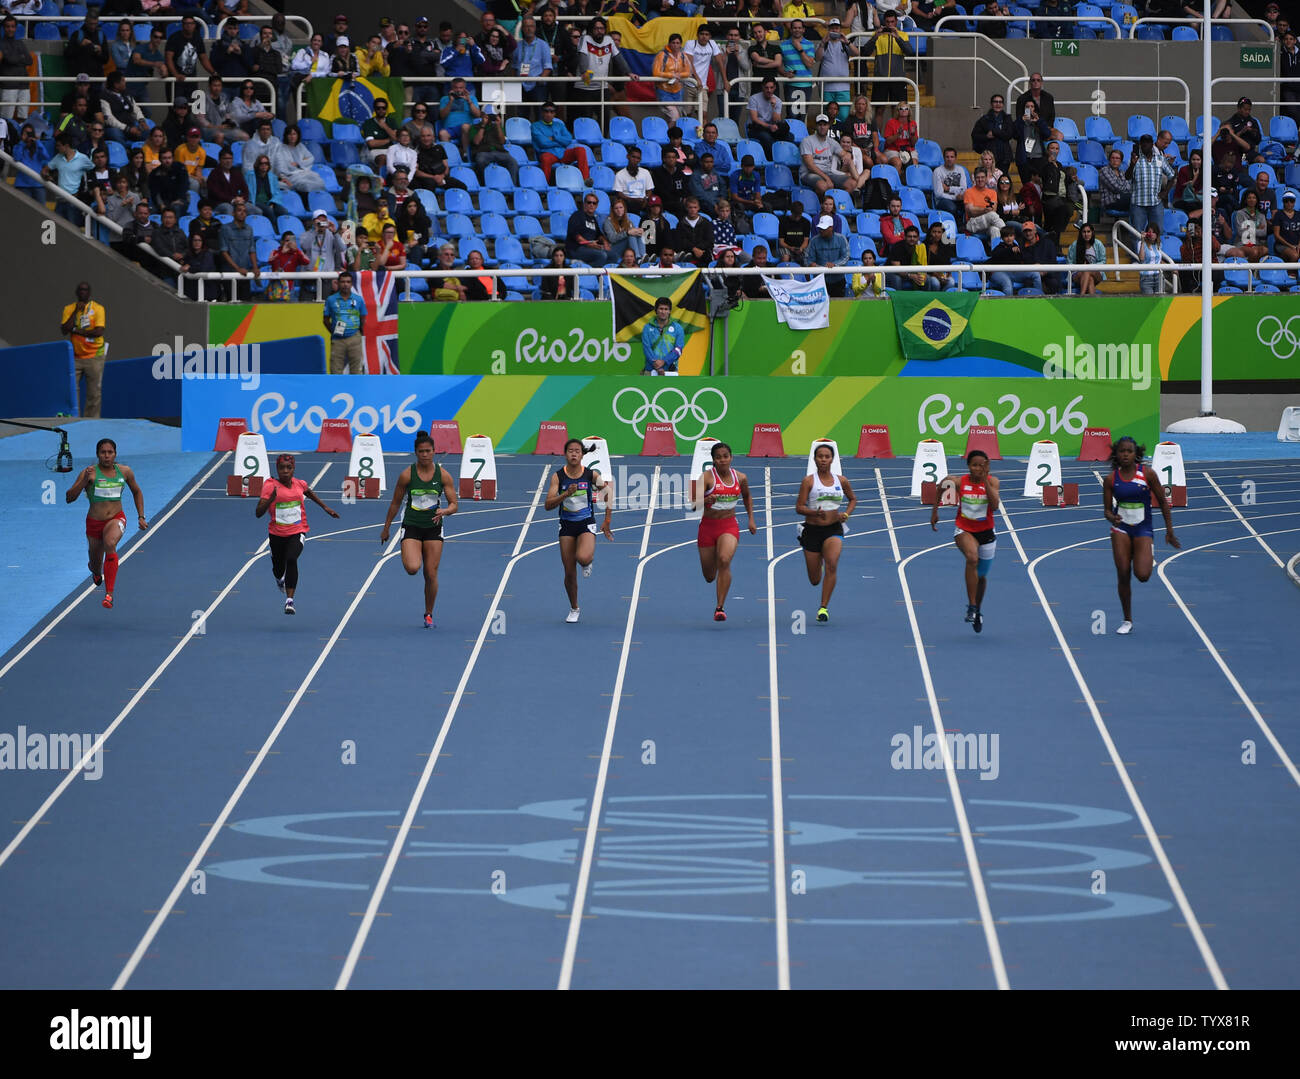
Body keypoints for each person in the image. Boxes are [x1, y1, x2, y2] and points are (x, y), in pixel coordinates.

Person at [381, 431, 458, 628]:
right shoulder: (407, 475)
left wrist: (446, 511)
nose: (425, 454)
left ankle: (429, 614)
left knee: (431, 573)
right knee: (413, 568)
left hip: (433, 528)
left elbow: (454, 504)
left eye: (428, 451)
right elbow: (395, 503)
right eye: (421, 451)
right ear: (415, 452)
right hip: (412, 526)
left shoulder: (443, 475)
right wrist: (386, 527)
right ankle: (410, 549)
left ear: (434, 452)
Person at [1102, 437, 1179, 636]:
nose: (1125, 454)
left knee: (1143, 575)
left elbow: (1163, 502)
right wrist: (1112, 518)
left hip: (1143, 529)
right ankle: (1127, 619)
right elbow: (1107, 511)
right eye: (1122, 451)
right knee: (1123, 571)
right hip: (1121, 530)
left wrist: (1169, 531)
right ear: (1116, 454)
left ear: (1136, 454)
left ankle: (1143, 551)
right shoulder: (1111, 479)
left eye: (1129, 451)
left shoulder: (1147, 474)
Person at [66, 437, 146, 610]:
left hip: (116, 518)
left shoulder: (125, 472)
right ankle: (95, 571)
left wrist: (141, 516)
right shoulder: (89, 473)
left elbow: (137, 492)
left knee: (110, 543)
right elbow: (69, 498)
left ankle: (109, 594)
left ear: (115, 454)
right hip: (94, 523)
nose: (107, 456)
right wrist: (83, 481)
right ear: (97, 455)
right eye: (103, 452)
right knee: (96, 564)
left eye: (110, 452)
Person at [255, 453, 339, 615]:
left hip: (297, 531)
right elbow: (258, 513)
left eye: (289, 468)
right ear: (277, 469)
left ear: (294, 469)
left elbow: (308, 492)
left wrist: (325, 507)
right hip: (276, 534)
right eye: (281, 468)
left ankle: (289, 601)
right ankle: (280, 579)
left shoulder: (299, 484)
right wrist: (270, 498)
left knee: (292, 559)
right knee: (278, 569)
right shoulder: (269, 486)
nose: (285, 471)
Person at [544, 438, 614, 624]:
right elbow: (547, 505)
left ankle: (587, 561)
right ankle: (574, 608)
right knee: (569, 572)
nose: (574, 454)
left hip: (586, 523)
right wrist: (566, 494)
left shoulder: (591, 475)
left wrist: (607, 520)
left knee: (582, 558)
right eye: (570, 451)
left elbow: (608, 493)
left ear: (582, 455)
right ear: (565, 454)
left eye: (577, 451)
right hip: (566, 525)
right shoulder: (558, 477)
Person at [931, 450, 1000, 633]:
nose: (977, 468)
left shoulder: (993, 482)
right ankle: (971, 605)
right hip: (964, 529)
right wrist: (935, 511)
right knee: (972, 558)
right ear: (968, 466)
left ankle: (977, 609)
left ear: (986, 466)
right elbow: (940, 486)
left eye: (981, 465)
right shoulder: (959, 482)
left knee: (982, 576)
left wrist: (985, 480)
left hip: (986, 532)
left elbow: (995, 506)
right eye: (974, 465)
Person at [694, 441, 756, 623]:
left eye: (725, 456)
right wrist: (706, 500)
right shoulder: (705, 478)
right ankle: (715, 580)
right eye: (718, 457)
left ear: (731, 458)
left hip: (729, 526)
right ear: (713, 460)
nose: (722, 460)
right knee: (709, 576)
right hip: (707, 527)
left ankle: (719, 608)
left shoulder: (741, 477)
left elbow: (747, 496)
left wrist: (751, 519)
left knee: (724, 559)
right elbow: (692, 504)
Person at [795, 443, 857, 623]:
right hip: (812, 531)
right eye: (820, 456)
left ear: (832, 459)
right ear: (815, 459)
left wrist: (846, 514)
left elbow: (853, 499)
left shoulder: (841, 481)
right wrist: (814, 513)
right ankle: (818, 559)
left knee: (832, 564)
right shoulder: (809, 481)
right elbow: (799, 507)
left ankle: (823, 607)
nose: (823, 459)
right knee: (815, 579)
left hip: (833, 529)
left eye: (827, 456)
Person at [60, 282, 106, 418]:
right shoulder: (69, 308)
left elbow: (98, 332)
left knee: (94, 392)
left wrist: (75, 330)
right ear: (76, 292)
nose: (82, 292)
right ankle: (75, 418)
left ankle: (92, 420)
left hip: (94, 355)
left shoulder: (98, 308)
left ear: (89, 293)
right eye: (80, 290)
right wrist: (76, 311)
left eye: (85, 290)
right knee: (72, 390)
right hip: (76, 356)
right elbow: (64, 329)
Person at [323, 270, 367, 373]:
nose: (345, 284)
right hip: (337, 339)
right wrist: (334, 331)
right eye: (342, 282)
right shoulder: (331, 300)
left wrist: (358, 330)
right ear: (338, 283)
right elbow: (325, 319)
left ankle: (356, 389)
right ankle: (337, 389)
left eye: (348, 282)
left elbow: (363, 316)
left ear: (351, 284)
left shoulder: (359, 299)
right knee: (335, 369)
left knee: (357, 369)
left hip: (354, 337)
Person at [641, 297, 685, 375]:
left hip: (670, 371)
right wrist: (657, 365)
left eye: (666, 309)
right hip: (650, 370)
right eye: (661, 309)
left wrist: (664, 361)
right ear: (656, 311)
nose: (663, 312)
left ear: (669, 311)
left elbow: (678, 349)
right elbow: (646, 348)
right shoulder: (647, 328)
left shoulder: (678, 328)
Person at [971, 93, 1013, 172]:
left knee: (1003, 179)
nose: (998, 104)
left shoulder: (1007, 118)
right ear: (991, 104)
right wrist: (986, 136)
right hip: (989, 157)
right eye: (995, 102)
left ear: (1003, 104)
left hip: (1004, 156)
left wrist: (994, 132)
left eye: (1000, 102)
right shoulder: (984, 119)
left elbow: (1009, 134)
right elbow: (975, 135)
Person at [1068, 222, 1106, 295]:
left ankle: (1081, 296)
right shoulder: (1074, 245)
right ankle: (1091, 302)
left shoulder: (1098, 244)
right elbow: (1070, 262)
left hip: (1096, 272)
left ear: (1092, 232)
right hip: (1077, 273)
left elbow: (1103, 261)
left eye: (1088, 232)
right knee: (1090, 279)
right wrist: (1080, 267)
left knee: (1087, 270)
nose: (1086, 234)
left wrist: (1091, 266)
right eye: (1084, 232)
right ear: (1081, 233)